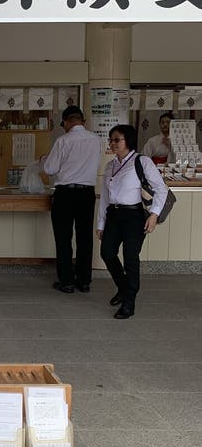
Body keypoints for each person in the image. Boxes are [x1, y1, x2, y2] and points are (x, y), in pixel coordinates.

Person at [97, 124, 168, 319]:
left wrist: (154, 214)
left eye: (116, 140)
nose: (112, 143)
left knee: (130, 258)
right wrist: (101, 223)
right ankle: (123, 288)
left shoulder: (141, 161)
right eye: (111, 140)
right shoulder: (110, 165)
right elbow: (104, 195)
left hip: (134, 217)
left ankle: (129, 303)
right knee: (107, 253)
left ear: (127, 141)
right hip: (113, 214)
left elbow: (161, 189)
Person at [40, 105, 102, 294]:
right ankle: (84, 281)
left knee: (63, 237)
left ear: (66, 122)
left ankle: (66, 281)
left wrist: (44, 160)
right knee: (85, 238)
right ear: (83, 121)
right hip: (87, 194)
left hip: (65, 194)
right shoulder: (97, 140)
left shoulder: (63, 140)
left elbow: (49, 169)